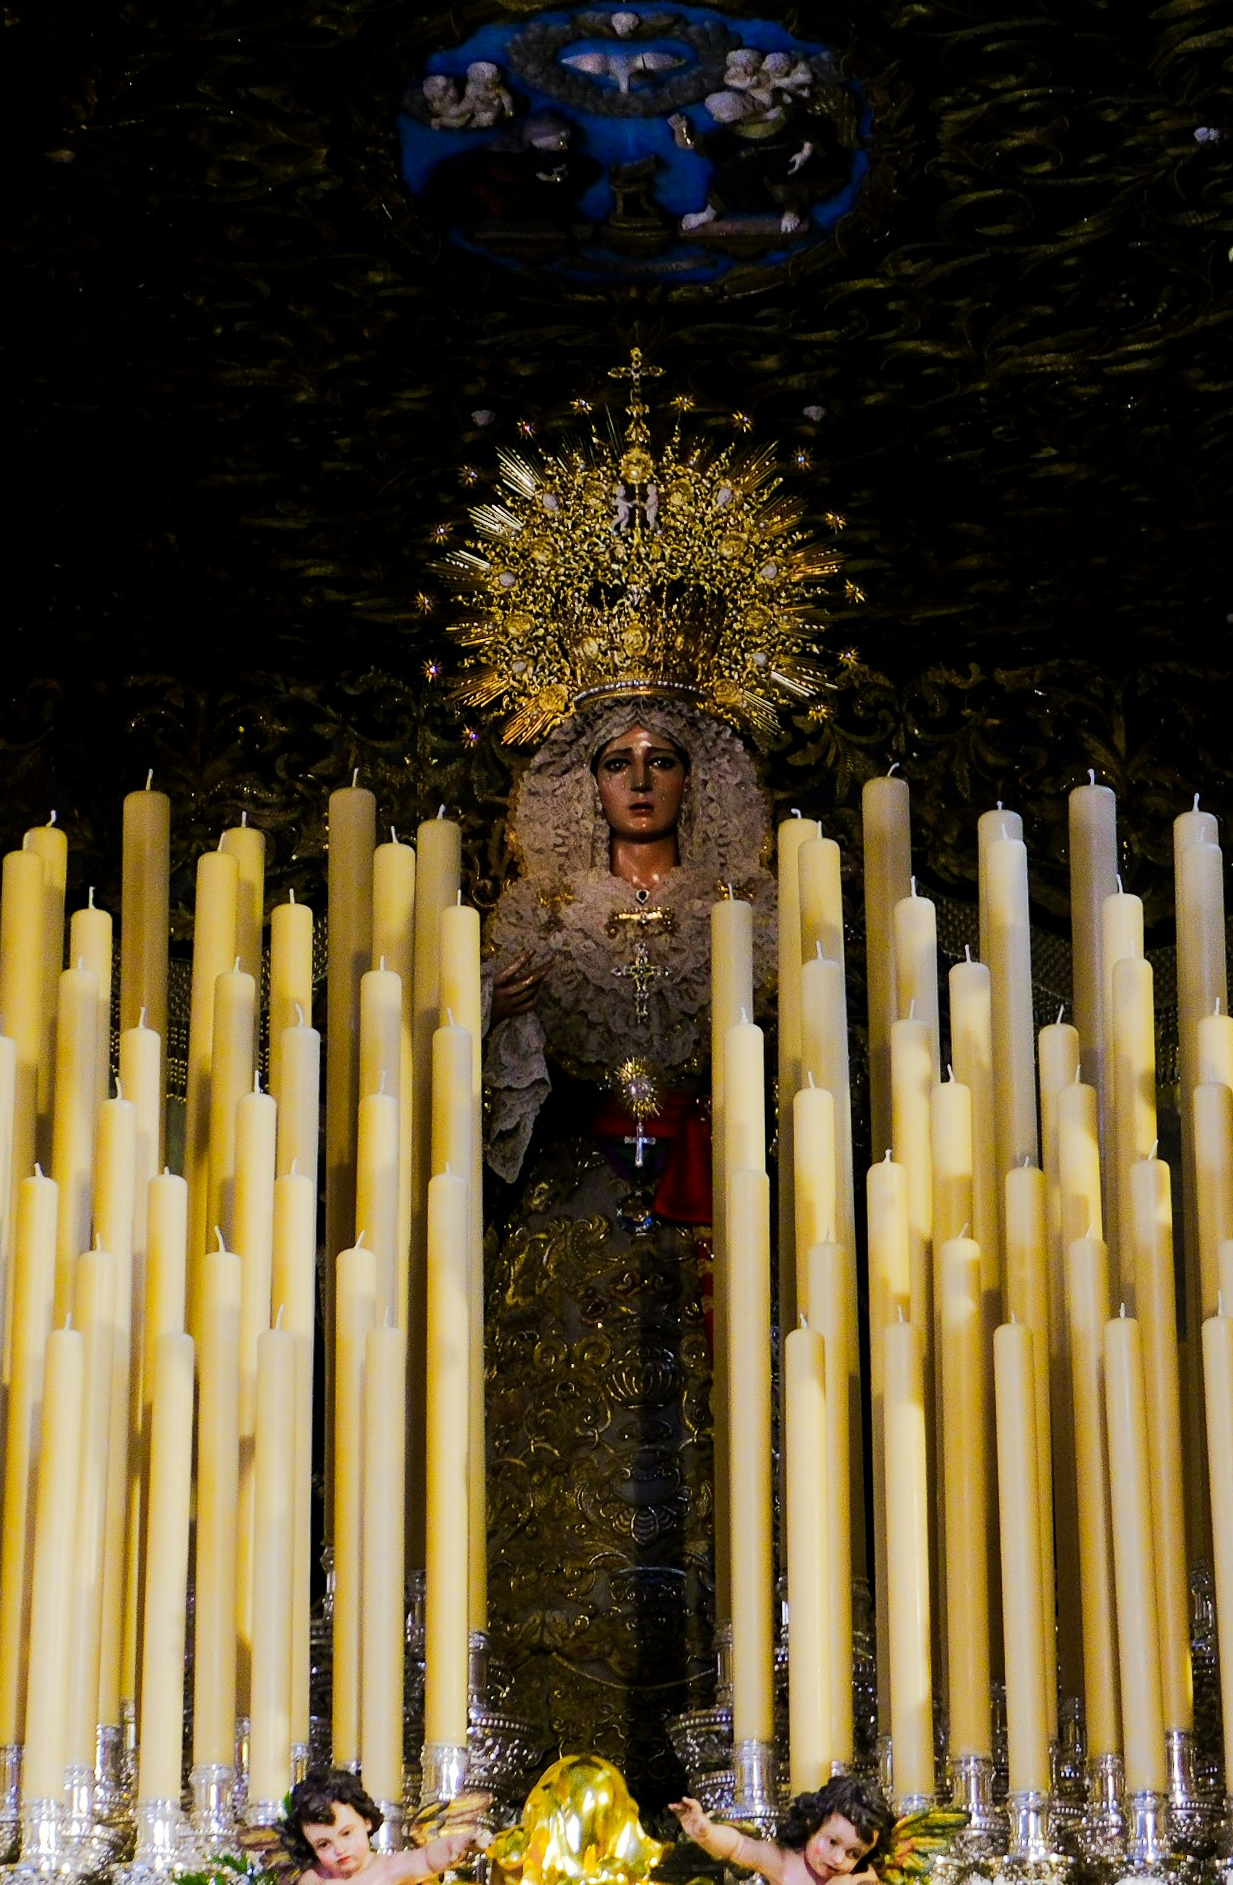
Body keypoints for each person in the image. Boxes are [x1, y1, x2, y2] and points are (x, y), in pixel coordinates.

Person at [475, 697, 775, 1797]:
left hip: (713, 1193)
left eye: (662, 761)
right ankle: (554, 1710)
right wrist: (491, 1010)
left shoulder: (749, 907)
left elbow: (797, 1040)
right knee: (567, 1437)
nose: (641, 780)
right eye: (617, 762)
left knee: (726, 1421)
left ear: (699, 782)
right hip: (577, 1200)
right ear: (586, 785)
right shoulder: (540, 910)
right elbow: (495, 1069)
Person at [278, 1767, 489, 1885]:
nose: (339, 1849)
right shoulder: (314, 1878)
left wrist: (458, 1844)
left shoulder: (389, 1869)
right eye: (323, 1844)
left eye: (346, 1833)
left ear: (366, 1821)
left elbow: (425, 1859)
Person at [671, 1776, 893, 1885]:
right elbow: (738, 1846)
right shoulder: (784, 1864)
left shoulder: (856, 1880)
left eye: (853, 1854)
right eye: (832, 1842)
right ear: (811, 1824)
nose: (837, 1859)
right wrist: (707, 1833)